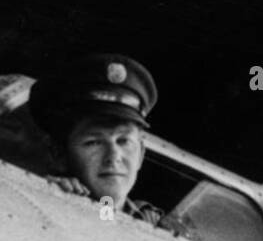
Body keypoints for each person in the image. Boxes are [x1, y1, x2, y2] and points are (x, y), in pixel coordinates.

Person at [30, 53, 165, 225]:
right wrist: (47, 196)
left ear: (141, 155)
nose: (113, 156)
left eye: (123, 141)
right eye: (94, 142)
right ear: (59, 154)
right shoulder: (40, 208)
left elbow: (107, 217)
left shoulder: (157, 227)